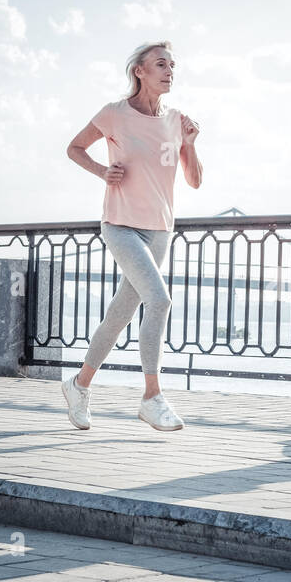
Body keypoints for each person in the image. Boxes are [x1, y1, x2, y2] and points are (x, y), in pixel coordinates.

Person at [60, 41, 202, 431]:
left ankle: (79, 385)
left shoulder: (177, 121)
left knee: (120, 314)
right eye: (161, 64)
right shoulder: (114, 114)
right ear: (140, 71)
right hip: (121, 225)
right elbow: (74, 148)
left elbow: (194, 180)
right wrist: (101, 172)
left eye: (172, 65)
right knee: (159, 299)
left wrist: (190, 145)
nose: (169, 71)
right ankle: (152, 397)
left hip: (160, 230)